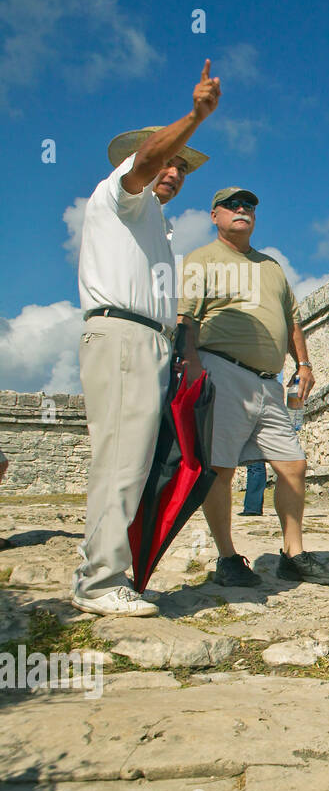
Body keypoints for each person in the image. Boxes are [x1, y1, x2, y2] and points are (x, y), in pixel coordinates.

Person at [70, 62, 220, 617]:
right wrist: (196, 116)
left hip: (150, 342)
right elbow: (147, 162)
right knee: (121, 458)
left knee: (139, 458)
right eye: (168, 162)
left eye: (183, 168)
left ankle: (111, 571)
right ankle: (98, 580)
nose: (174, 173)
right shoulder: (121, 194)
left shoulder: (155, 223)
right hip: (124, 335)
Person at [178, 187, 329, 587]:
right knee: (221, 469)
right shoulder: (203, 259)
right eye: (231, 205)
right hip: (222, 369)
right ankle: (228, 558)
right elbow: (186, 318)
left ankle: (293, 554)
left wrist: (303, 363)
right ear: (214, 216)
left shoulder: (271, 266)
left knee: (293, 465)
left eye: (248, 205)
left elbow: (292, 320)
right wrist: (192, 365)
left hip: (269, 381)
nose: (241, 210)